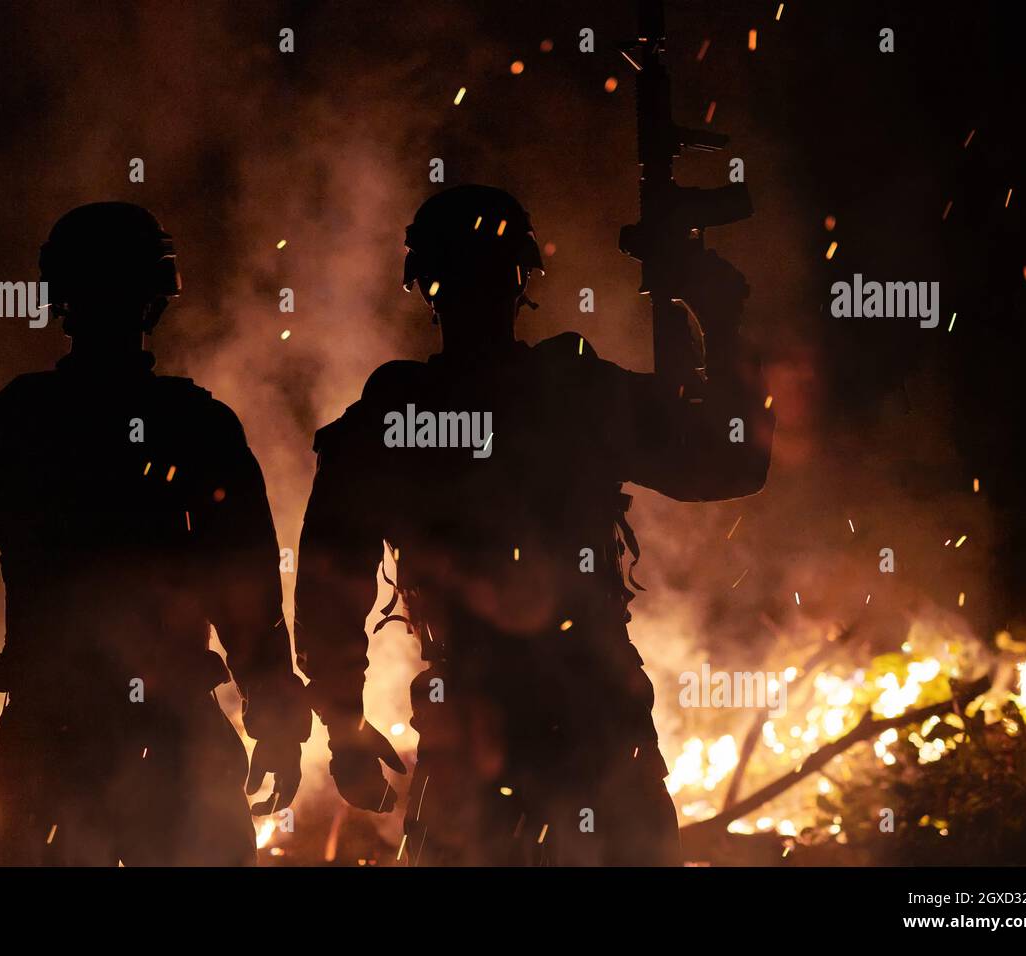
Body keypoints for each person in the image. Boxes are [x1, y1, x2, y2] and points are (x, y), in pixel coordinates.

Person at [294, 184, 773, 865]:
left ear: (424, 287)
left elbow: (328, 590)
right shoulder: (575, 392)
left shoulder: (392, 417)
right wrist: (721, 327)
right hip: (596, 720)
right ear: (522, 280)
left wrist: (344, 724)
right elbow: (729, 462)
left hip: (476, 727)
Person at [0, 202, 308, 865]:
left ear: (61, 298)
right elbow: (247, 591)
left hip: (53, 736)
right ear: (157, 296)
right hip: (168, 737)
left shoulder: (14, 420)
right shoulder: (195, 424)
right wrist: (276, 716)